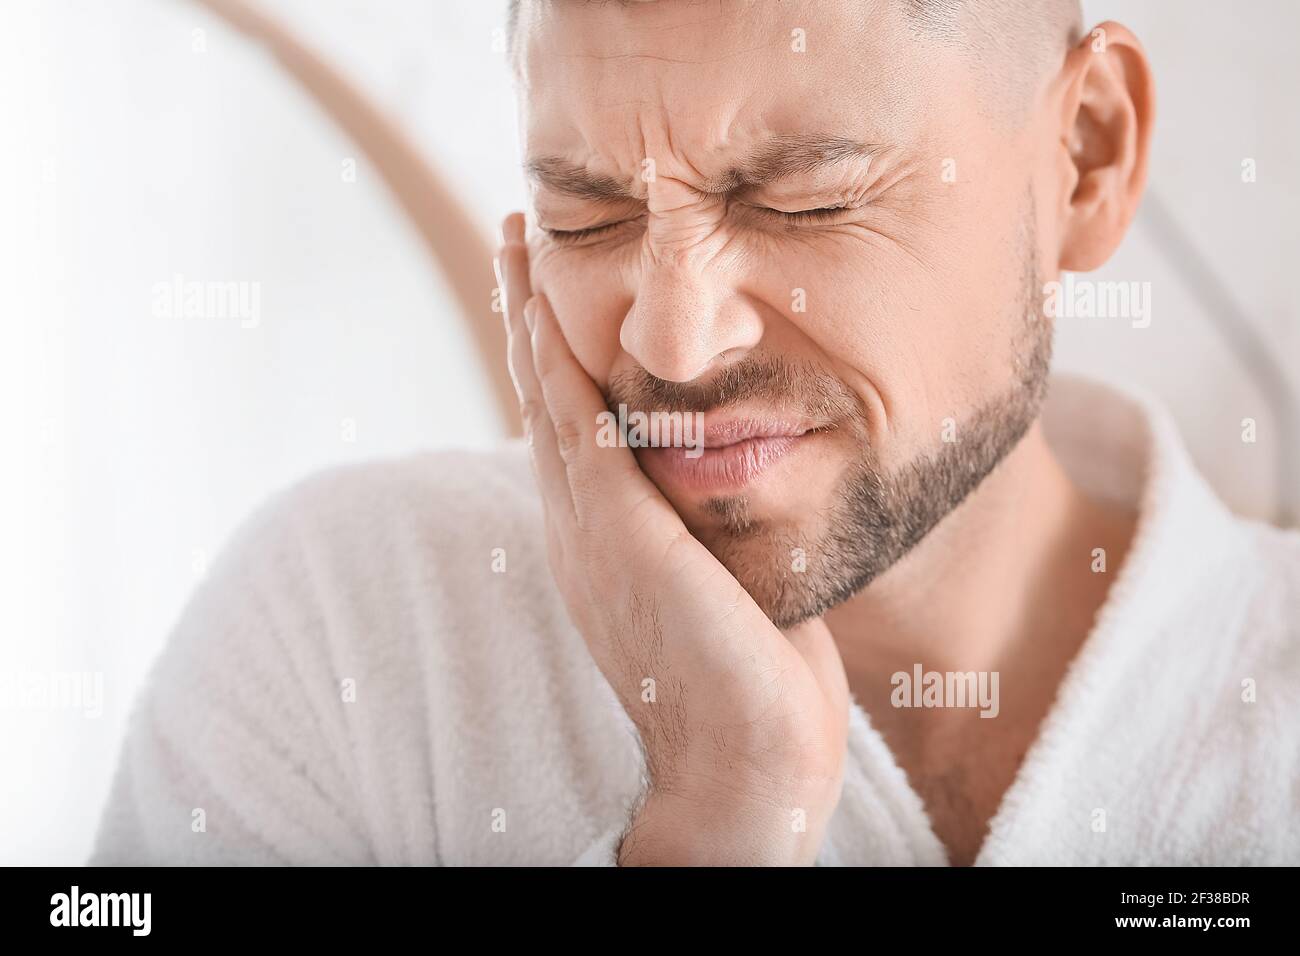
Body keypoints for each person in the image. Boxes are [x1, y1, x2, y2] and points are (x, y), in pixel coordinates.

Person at [92, 0, 1300, 866]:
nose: (672, 344)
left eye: (803, 198)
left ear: (1085, 158)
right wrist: (717, 818)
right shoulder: (342, 629)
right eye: (587, 213)